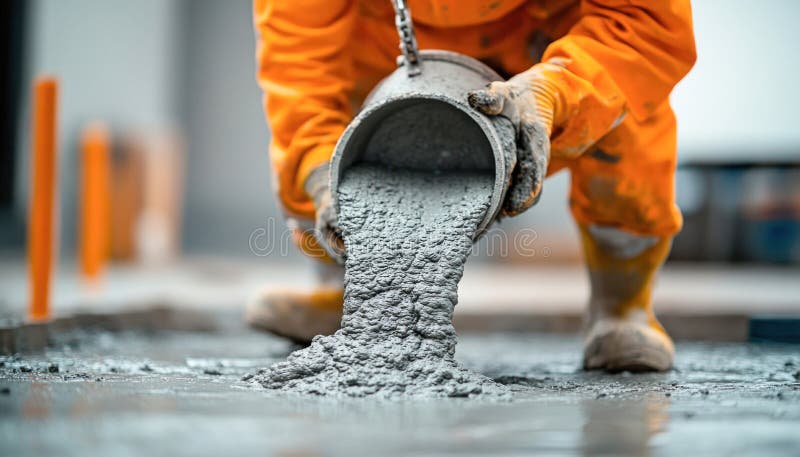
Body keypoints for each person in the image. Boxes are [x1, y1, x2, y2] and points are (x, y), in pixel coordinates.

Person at [249, 0, 696, 372]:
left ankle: (622, 306)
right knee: (333, 134)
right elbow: (298, 66)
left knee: (624, 115)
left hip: (550, 36)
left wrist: (555, 92)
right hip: (387, 35)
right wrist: (320, 170)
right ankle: (353, 293)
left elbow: (644, 24)